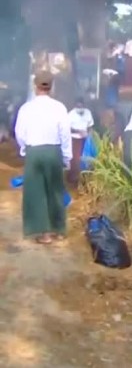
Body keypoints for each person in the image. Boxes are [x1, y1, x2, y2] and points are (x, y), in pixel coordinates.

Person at [14, 71, 72, 244]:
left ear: (35, 86)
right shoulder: (59, 107)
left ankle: (44, 234)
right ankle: (59, 230)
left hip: (34, 151)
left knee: (36, 192)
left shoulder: (26, 108)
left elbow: (19, 132)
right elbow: (65, 133)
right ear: (51, 86)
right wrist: (67, 156)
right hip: (53, 151)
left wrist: (25, 149)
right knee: (55, 190)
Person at [67, 97, 94, 187]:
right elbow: (67, 129)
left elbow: (90, 126)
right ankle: (74, 181)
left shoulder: (88, 113)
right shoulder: (70, 114)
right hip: (75, 140)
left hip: (85, 140)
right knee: (75, 160)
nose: (80, 108)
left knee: (86, 159)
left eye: (81, 106)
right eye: (78, 107)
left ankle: (85, 179)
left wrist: (89, 134)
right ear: (75, 106)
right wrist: (78, 131)